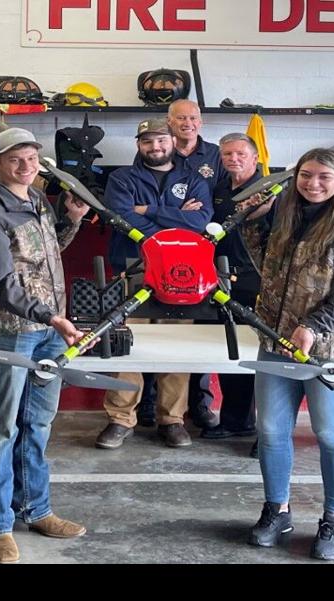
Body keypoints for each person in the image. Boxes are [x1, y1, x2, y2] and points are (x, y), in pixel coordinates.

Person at [243, 147, 334, 561]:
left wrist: (313, 327)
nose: (313, 184)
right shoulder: (287, 218)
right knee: (271, 431)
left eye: (324, 177)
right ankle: (277, 511)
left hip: (332, 349)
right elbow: (268, 269)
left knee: (330, 433)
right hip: (278, 342)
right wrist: (252, 224)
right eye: (306, 176)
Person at [0, 127, 92, 563]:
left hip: (49, 332)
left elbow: (46, 261)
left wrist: (69, 222)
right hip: (8, 330)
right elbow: (1, 285)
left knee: (37, 424)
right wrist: (50, 315)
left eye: (32, 157)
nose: (25, 165)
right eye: (15, 158)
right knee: (1, 429)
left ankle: (36, 509)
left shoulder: (36, 201)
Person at [94, 117, 213, 450]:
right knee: (127, 344)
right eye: (147, 142)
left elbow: (200, 221)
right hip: (132, 268)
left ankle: (172, 420)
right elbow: (121, 217)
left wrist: (149, 210)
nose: (155, 147)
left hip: (182, 273)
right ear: (138, 145)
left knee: (176, 345)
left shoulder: (194, 178)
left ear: (172, 141)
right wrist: (175, 215)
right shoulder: (121, 178)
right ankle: (120, 419)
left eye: (161, 140)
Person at [199, 132, 267, 441]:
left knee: (261, 357)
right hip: (219, 279)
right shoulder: (218, 190)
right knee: (228, 352)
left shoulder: (272, 191)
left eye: (240, 154)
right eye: (227, 155)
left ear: (255, 158)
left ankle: (267, 431)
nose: (234, 159)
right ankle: (235, 421)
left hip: (259, 281)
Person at [168, 99, 225, 429]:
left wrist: (196, 211)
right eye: (180, 118)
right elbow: (151, 201)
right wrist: (178, 211)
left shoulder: (216, 154)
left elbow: (214, 201)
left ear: (200, 122)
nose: (187, 123)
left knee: (202, 324)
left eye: (192, 117)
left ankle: (200, 404)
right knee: (159, 325)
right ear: (170, 121)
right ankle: (152, 405)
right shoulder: (158, 148)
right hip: (168, 248)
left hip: (206, 247)